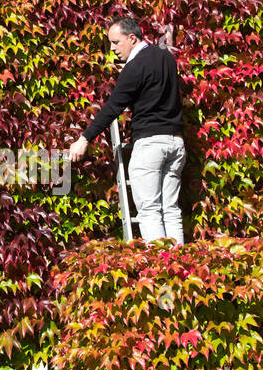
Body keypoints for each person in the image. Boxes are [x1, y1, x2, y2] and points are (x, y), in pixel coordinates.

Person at [69, 17, 186, 244]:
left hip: (150, 146)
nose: (112, 49)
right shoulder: (167, 58)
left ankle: (160, 272)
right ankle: (179, 267)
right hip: (176, 144)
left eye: (115, 42)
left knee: (149, 211)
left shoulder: (134, 68)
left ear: (132, 38)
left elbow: (113, 108)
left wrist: (84, 138)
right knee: (171, 210)